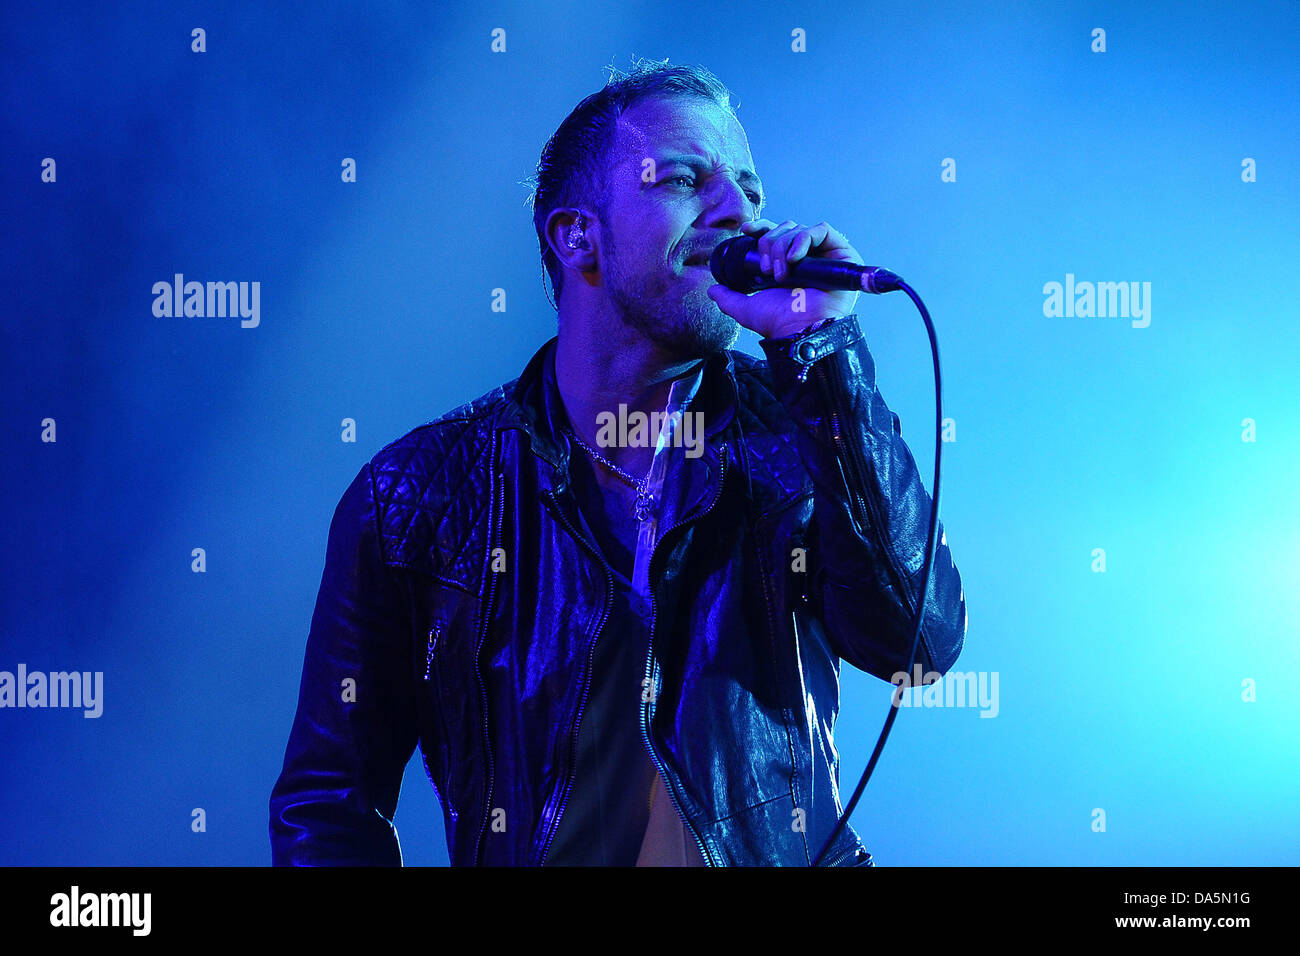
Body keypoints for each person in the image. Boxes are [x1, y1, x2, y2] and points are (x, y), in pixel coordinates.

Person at [270, 58, 967, 867]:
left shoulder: (803, 427)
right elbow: (329, 803)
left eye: (749, 188)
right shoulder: (417, 499)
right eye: (683, 179)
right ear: (577, 236)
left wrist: (822, 351)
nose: (738, 211)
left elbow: (917, 647)